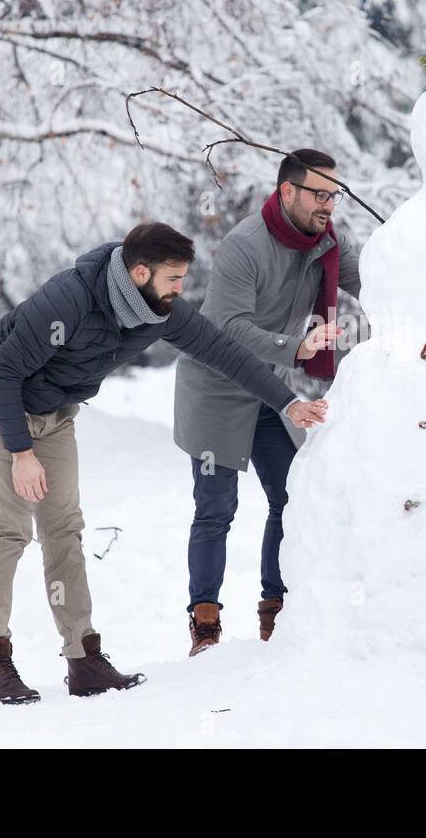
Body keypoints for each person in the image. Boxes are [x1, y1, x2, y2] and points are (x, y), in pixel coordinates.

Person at [0, 222, 328, 703]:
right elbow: (5, 371)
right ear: (138, 272)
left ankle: (82, 658)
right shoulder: (69, 300)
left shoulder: (160, 312)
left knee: (64, 529)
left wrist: (286, 403)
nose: (180, 288)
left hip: (52, 412)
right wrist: (21, 454)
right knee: (10, 528)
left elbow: (225, 353)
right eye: (173, 278)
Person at [173, 149, 361, 655]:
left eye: (334, 194)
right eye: (319, 194)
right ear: (288, 192)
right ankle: (205, 622)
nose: (329, 204)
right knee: (216, 507)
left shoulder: (328, 244)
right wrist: (295, 347)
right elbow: (227, 329)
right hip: (215, 387)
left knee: (290, 495)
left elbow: (375, 282)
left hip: (268, 389)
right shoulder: (244, 246)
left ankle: (275, 610)